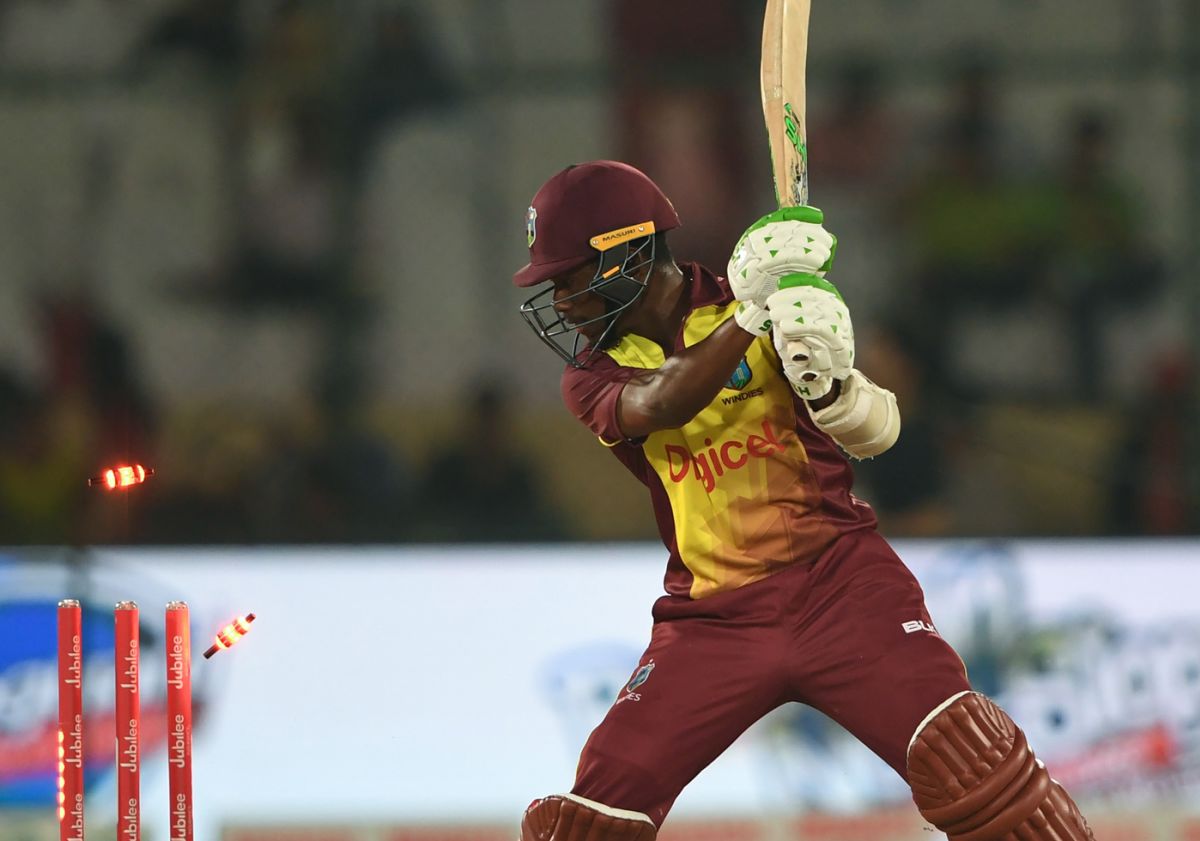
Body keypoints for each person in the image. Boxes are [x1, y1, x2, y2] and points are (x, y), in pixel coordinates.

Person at [510, 160, 1094, 840]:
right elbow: (661, 401)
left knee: (979, 766)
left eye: (569, 277)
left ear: (629, 252)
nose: (561, 301)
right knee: (588, 823)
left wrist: (831, 386)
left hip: (842, 588)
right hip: (713, 620)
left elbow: (876, 428)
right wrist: (754, 317)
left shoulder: (764, 305)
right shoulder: (596, 372)